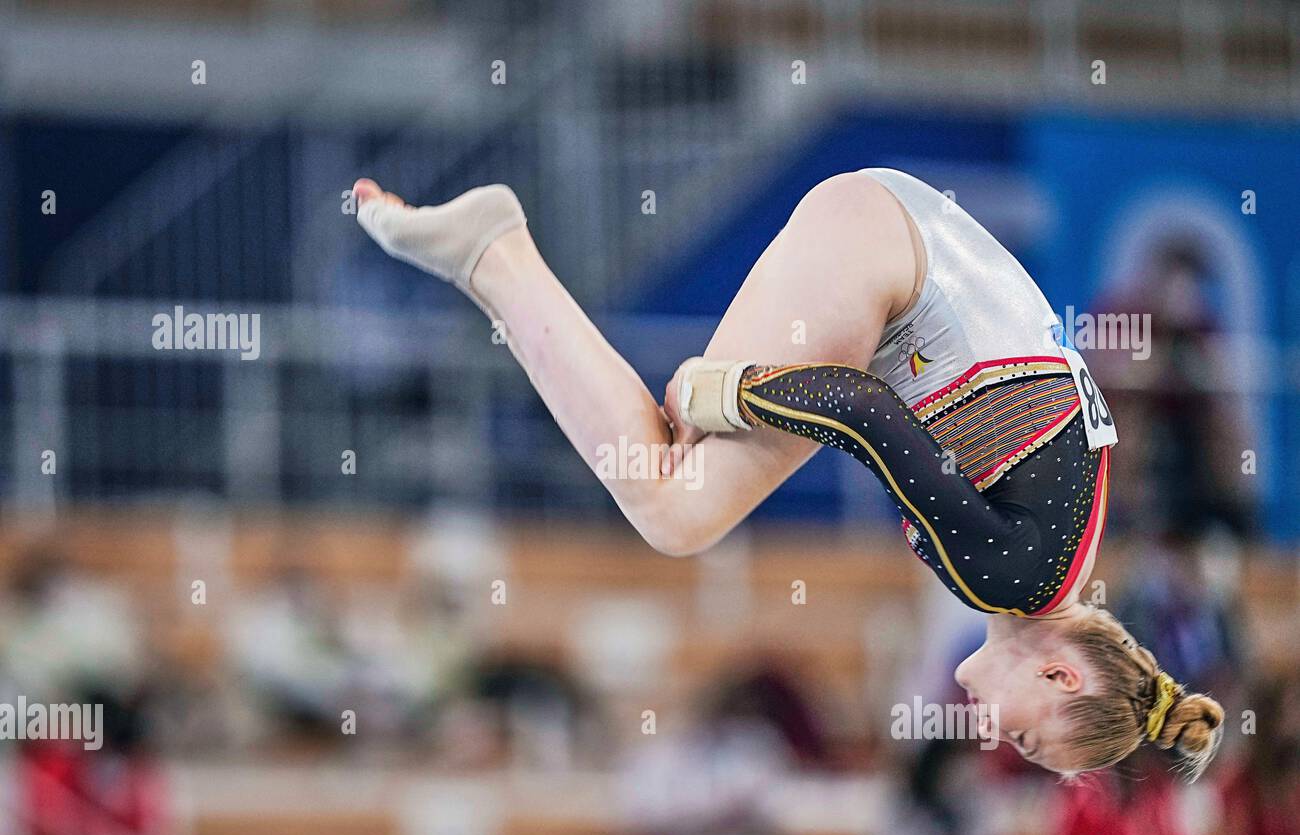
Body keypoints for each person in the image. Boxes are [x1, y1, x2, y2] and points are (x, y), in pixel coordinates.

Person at [350, 167, 1223, 780]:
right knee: (675, 509)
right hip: (887, 262)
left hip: (906, 252)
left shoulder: (1059, 563)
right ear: (1062, 677)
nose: (994, 738)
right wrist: (729, 392)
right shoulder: (1010, 579)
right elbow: (864, 414)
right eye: (1029, 743)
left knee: (678, 500)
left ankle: (493, 253)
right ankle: (493, 253)